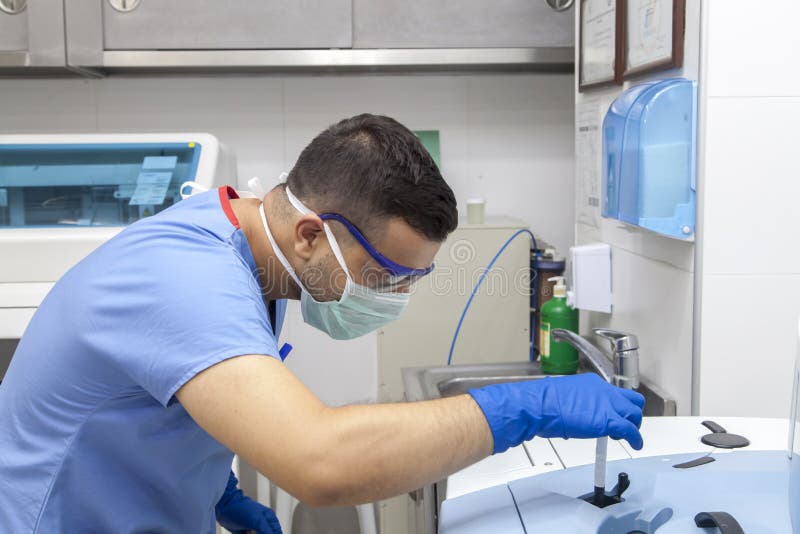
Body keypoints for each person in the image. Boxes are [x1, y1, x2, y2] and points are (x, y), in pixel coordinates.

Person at [0, 114, 644, 533]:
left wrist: (213, 486)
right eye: (388, 273)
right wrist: (523, 408)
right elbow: (321, 462)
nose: (394, 296)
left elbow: (165, 390)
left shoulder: (253, 258)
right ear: (312, 234)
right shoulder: (187, 279)